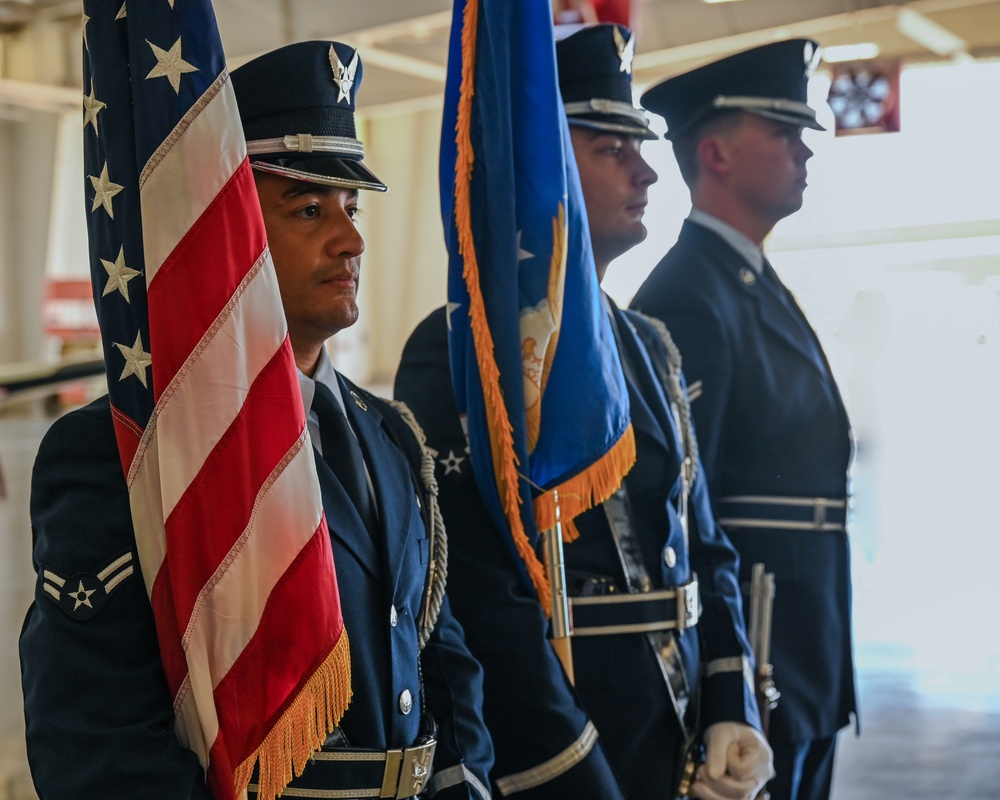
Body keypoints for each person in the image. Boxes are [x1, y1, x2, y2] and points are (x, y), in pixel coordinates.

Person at [19, 40, 493, 800]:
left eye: (352, 207)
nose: (353, 241)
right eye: (309, 210)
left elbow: (439, 653)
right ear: (227, 235)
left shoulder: (390, 435)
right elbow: (94, 735)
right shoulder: (129, 447)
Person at [395, 24, 772, 800]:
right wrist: (564, 764)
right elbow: (470, 586)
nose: (648, 173)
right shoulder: (461, 353)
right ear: (543, 169)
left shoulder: (651, 344)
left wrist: (730, 702)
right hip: (569, 731)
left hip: (685, 725)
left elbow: (704, 543)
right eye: (611, 149)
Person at [631, 39, 857, 800]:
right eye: (782, 132)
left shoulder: (747, 279)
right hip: (761, 647)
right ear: (716, 152)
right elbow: (689, 507)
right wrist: (726, 682)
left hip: (802, 641)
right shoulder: (690, 296)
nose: (804, 151)